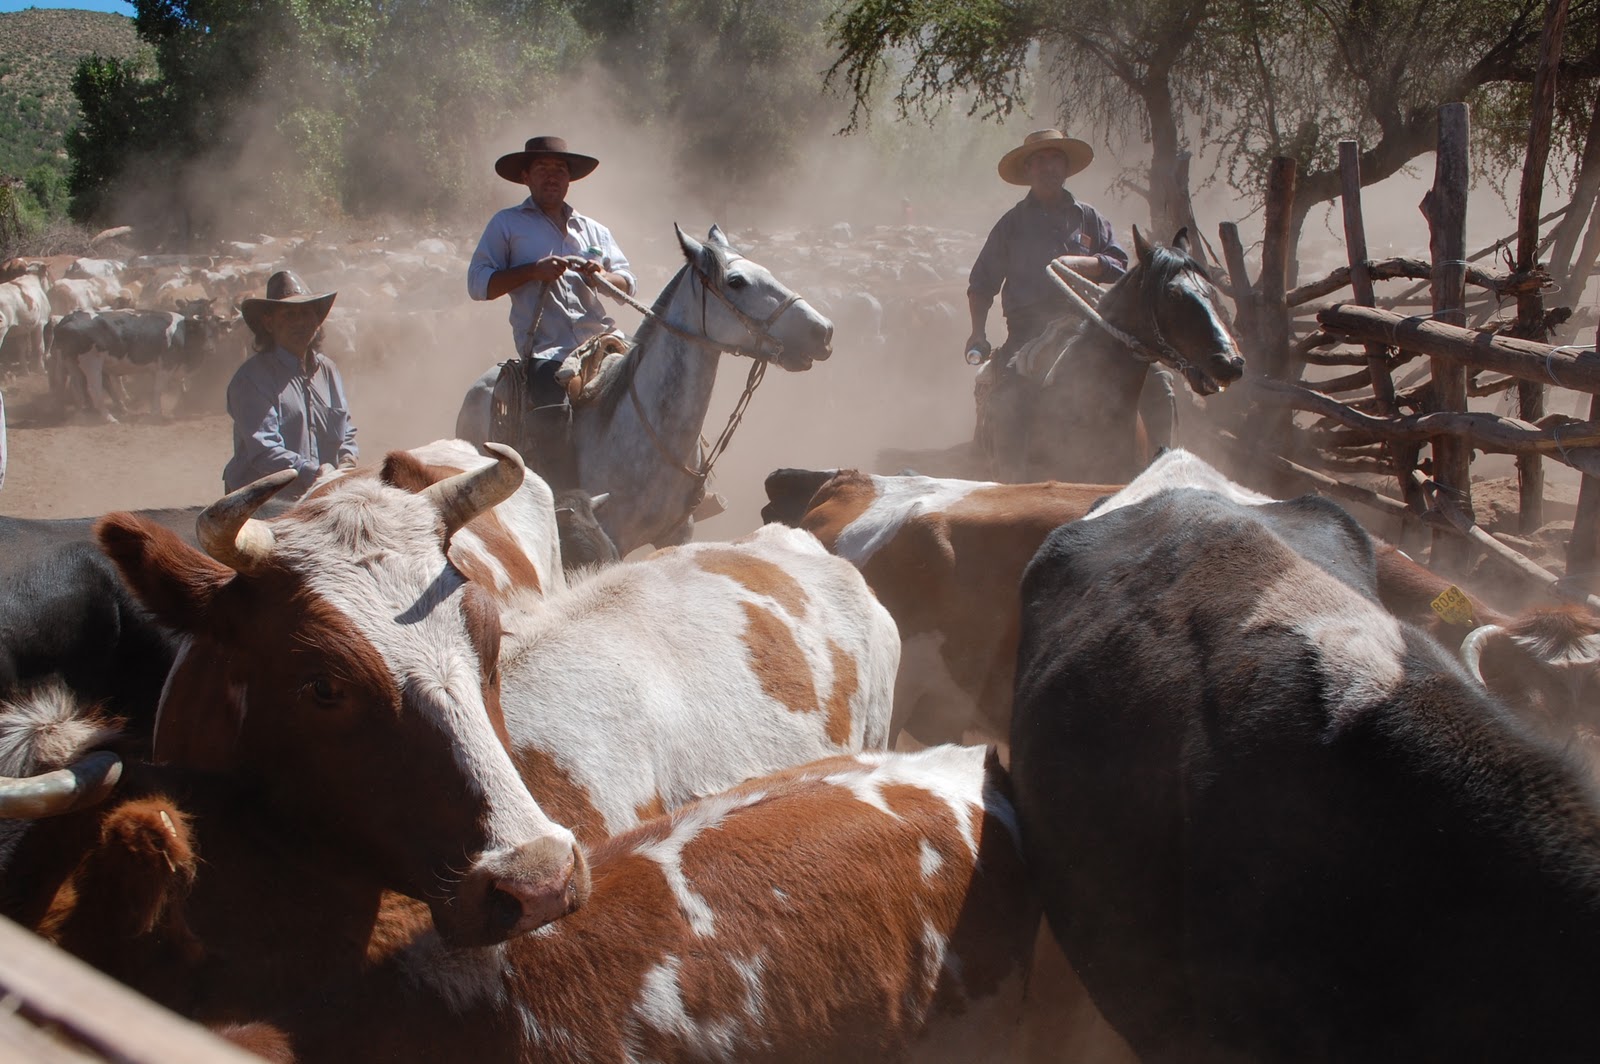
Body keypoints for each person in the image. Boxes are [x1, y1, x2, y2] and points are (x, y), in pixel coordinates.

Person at [966, 128, 1173, 479]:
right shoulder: (1011, 225)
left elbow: (1118, 262)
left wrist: (1085, 264)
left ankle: (1161, 473)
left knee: (1158, 384)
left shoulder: (1088, 218)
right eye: (1041, 160)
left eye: (1056, 159)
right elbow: (981, 284)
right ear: (1028, 170)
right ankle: (1009, 485)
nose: (1049, 167)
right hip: (1028, 332)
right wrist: (977, 333)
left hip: (1090, 325)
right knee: (1008, 402)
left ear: (1066, 168)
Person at [466, 135, 635, 488]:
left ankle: (687, 488)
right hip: (548, 351)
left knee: (660, 379)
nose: (552, 176)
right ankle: (565, 500)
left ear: (569, 179)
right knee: (552, 406)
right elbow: (478, 284)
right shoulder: (506, 225)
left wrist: (601, 277)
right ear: (525, 176)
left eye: (559, 169)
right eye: (542, 169)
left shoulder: (594, 229)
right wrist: (531, 271)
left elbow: (627, 283)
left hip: (604, 341)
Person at [223, 270, 357, 497]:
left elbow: (346, 429)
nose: (300, 323)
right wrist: (315, 473)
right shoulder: (252, 379)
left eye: (306, 314)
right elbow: (264, 450)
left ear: (317, 321)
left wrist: (347, 460)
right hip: (264, 500)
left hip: (320, 492)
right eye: (289, 315)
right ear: (269, 323)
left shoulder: (328, 371)